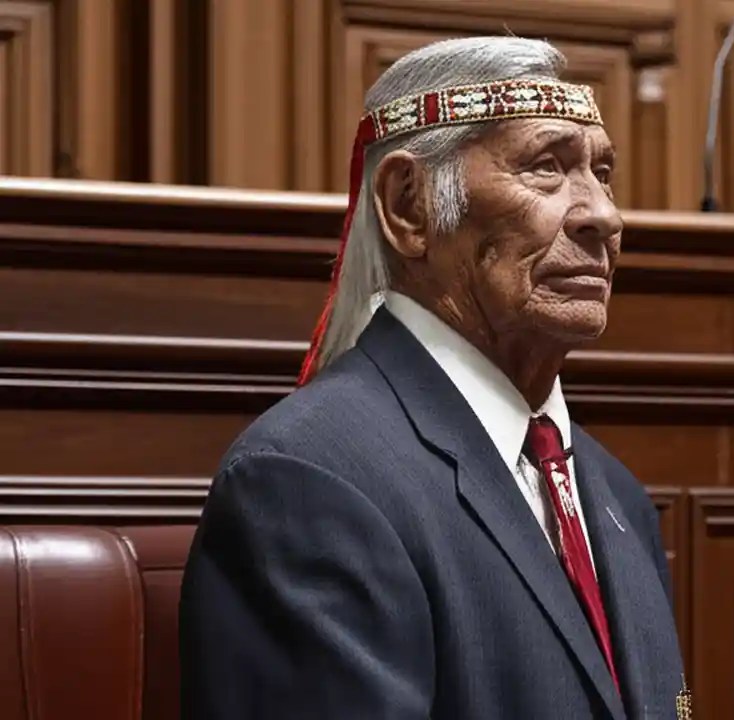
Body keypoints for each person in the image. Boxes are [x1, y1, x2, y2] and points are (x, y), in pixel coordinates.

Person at [179, 36, 687, 719]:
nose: (604, 214)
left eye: (603, 172)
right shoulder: (307, 481)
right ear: (409, 206)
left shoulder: (616, 494)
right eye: (546, 167)